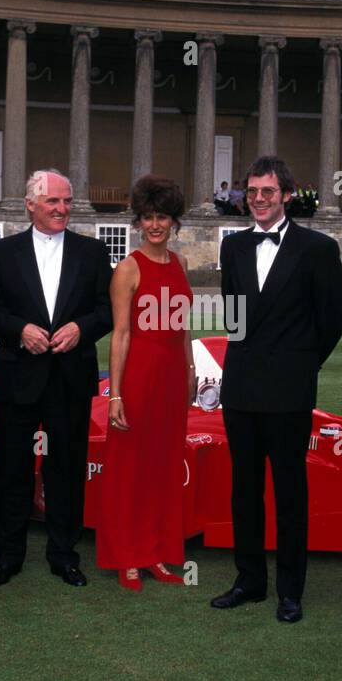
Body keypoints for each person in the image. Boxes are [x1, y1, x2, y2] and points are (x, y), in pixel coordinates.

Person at [210, 155, 342, 623]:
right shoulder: (233, 248)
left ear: (286, 194)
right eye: (252, 192)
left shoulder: (317, 249)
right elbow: (233, 317)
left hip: (290, 391)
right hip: (243, 389)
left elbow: (332, 321)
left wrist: (301, 365)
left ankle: (291, 590)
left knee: (290, 491)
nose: (259, 200)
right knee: (243, 489)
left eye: (268, 192)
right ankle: (248, 580)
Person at [0, 169, 114, 587]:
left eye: (67, 201)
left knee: (67, 471)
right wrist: (19, 330)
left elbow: (107, 310)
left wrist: (81, 329)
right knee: (12, 469)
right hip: (18, 378)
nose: (62, 209)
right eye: (53, 201)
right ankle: (8, 556)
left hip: (70, 379)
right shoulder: (3, 252)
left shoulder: (92, 252)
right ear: (30, 204)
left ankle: (64, 554)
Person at [97, 175, 195, 590]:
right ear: (139, 221)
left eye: (163, 217)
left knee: (163, 467)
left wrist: (190, 371)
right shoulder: (127, 268)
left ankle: (156, 552)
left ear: (174, 221)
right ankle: (127, 556)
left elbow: (184, 327)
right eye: (149, 217)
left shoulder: (181, 263)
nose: (156, 225)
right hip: (139, 373)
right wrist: (115, 393)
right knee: (130, 469)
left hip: (173, 374)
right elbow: (120, 334)